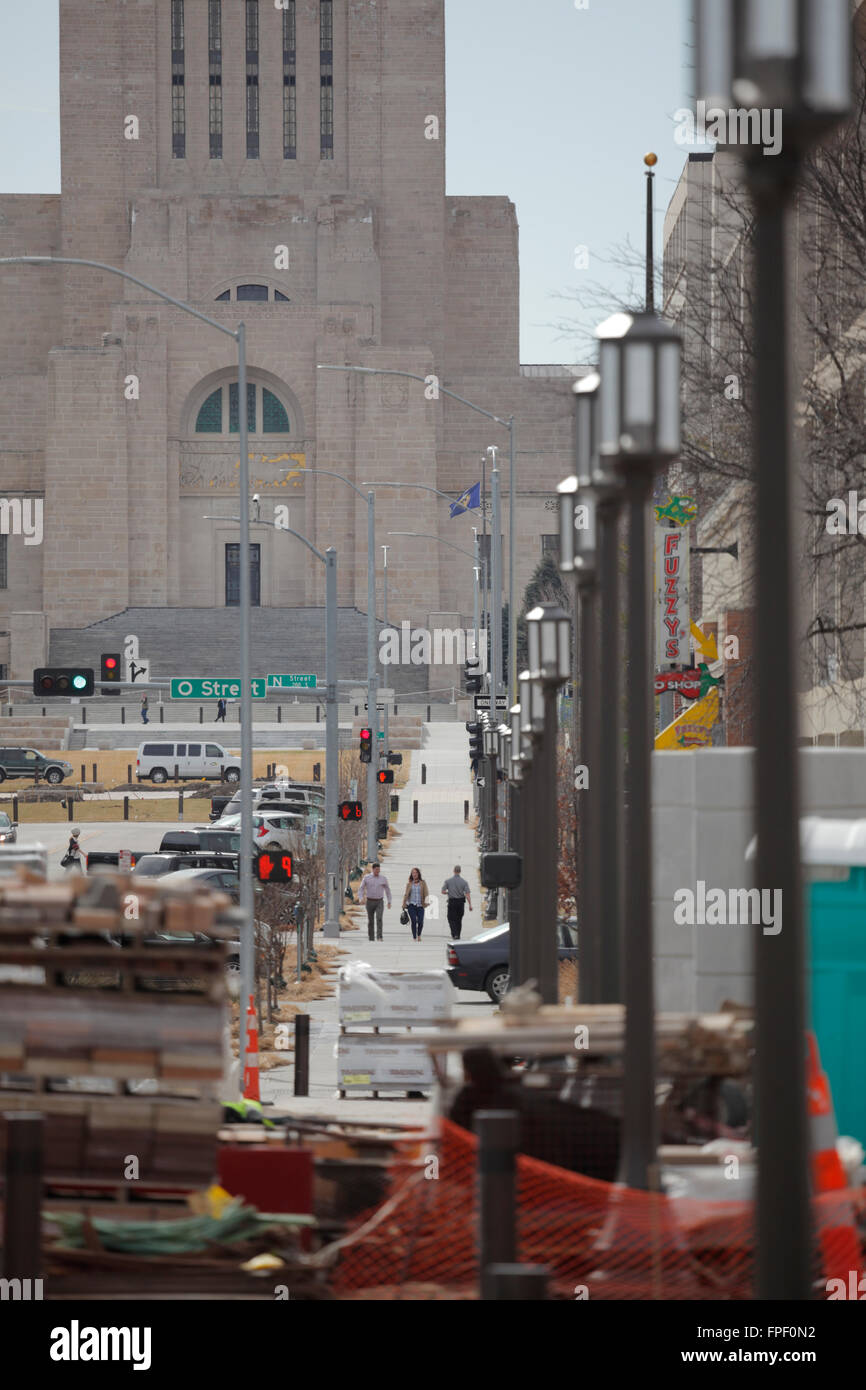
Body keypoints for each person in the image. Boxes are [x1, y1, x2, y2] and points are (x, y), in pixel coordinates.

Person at [358, 862, 391, 941]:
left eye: (379, 869)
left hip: (379, 901)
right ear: (372, 869)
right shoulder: (367, 877)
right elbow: (361, 888)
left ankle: (379, 937)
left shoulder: (383, 878)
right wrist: (360, 898)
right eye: (376, 869)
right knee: (371, 921)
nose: (377, 871)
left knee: (379, 918)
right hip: (370, 901)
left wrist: (389, 901)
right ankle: (371, 938)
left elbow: (387, 890)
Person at [441, 864, 472, 941]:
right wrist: (470, 905)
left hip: (452, 902)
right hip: (461, 902)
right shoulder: (464, 882)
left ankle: (454, 933)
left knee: (451, 918)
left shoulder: (448, 881)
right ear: (460, 871)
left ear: (454, 871)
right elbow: (467, 894)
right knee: (459, 919)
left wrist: (448, 892)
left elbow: (443, 891)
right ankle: (458, 934)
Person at [401, 867, 430, 941]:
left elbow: (426, 893)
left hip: (420, 905)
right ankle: (414, 937)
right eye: (413, 873)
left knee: (420, 921)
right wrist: (404, 904)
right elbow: (406, 894)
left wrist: (427, 902)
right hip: (411, 905)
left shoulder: (423, 883)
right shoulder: (409, 884)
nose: (414, 874)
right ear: (411, 874)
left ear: (418, 874)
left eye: (416, 873)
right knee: (413, 921)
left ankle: (419, 935)